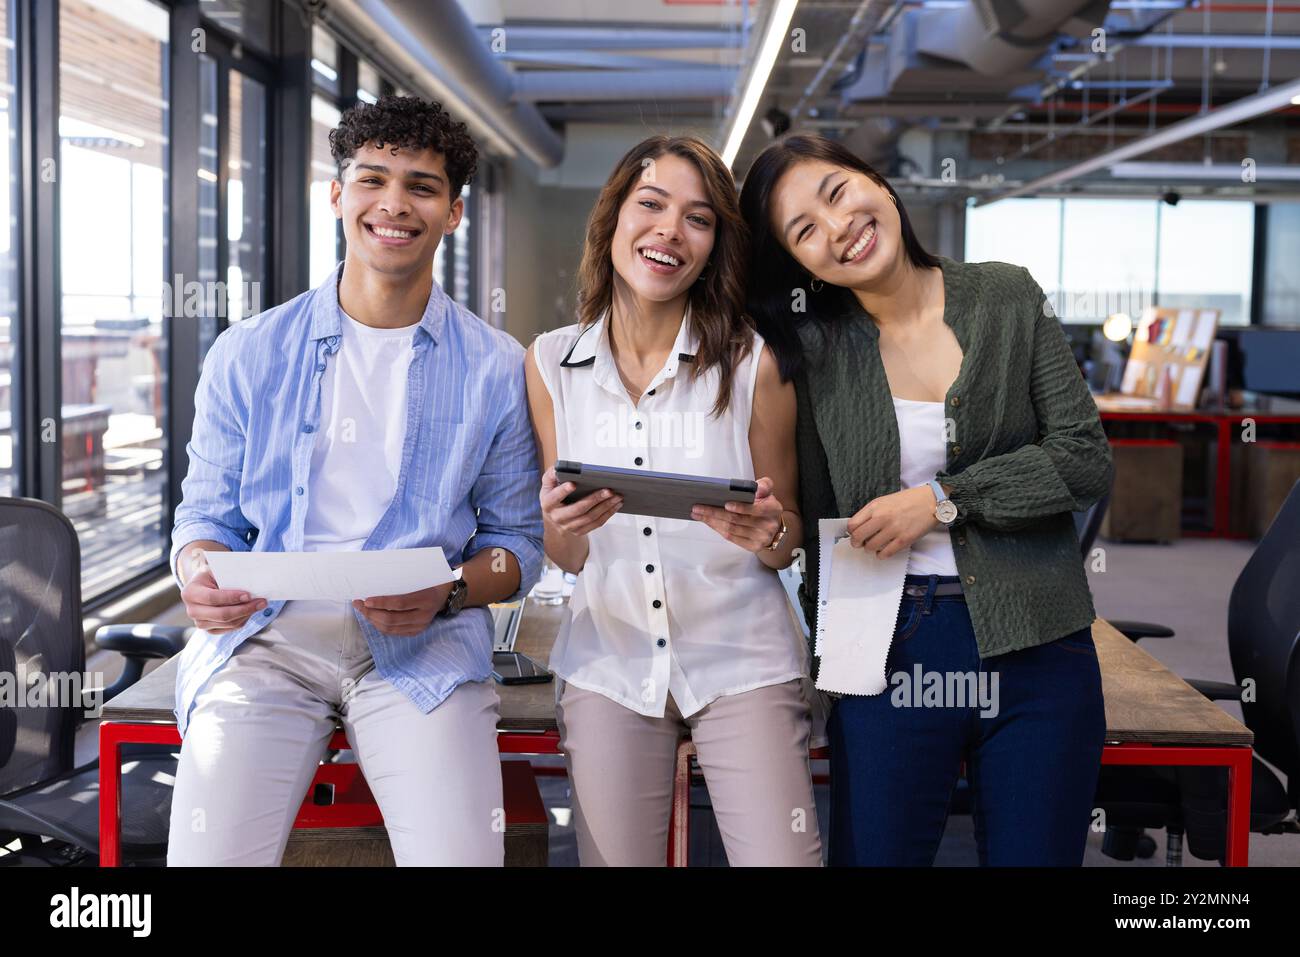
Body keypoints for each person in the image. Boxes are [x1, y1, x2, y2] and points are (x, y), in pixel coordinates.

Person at [167, 95, 543, 866]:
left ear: (454, 214)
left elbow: (518, 548)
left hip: (422, 648)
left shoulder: (498, 367)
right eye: (372, 179)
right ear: (337, 195)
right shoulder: (248, 352)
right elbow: (202, 518)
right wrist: (195, 571)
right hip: (266, 642)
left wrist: (450, 592)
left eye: (422, 186)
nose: (394, 204)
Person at [739, 133, 1113, 866]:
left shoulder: (1007, 296)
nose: (836, 228)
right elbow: (813, 531)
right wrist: (773, 544)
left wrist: (942, 500)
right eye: (804, 231)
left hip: (1037, 638)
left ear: (875, 181)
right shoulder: (813, 354)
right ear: (799, 264)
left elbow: (1083, 457)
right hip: (890, 643)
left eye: (836, 193)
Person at [525, 135, 822, 866]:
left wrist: (768, 532)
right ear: (613, 220)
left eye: (698, 218)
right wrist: (559, 526)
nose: (669, 231)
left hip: (741, 655)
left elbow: (790, 539)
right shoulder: (550, 361)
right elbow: (564, 554)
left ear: (715, 244)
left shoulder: (756, 360)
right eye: (650, 204)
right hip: (610, 658)